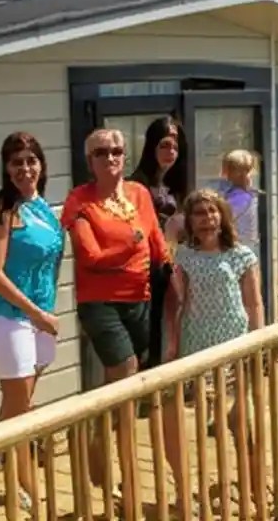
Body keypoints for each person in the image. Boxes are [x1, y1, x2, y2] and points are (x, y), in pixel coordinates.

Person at [62, 128, 173, 490]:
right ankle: (128, 479)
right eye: (101, 153)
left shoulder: (139, 193)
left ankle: (96, 433)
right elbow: (91, 257)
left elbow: (156, 238)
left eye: (117, 151)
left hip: (140, 299)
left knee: (118, 380)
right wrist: (132, 245)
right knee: (126, 376)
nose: (110, 158)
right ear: (89, 161)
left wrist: (172, 271)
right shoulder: (79, 200)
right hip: (100, 303)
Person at [0, 132, 63, 511]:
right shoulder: (2, 209)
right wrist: (37, 314)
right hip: (10, 319)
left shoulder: (43, 207)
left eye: (31, 160)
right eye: (17, 162)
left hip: (41, 318)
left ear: (41, 165)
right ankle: (30, 495)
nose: (25, 169)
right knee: (22, 414)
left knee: (18, 402)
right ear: (6, 168)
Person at [165, 188, 264, 502]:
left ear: (222, 216)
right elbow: (179, 303)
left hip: (234, 338)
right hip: (197, 341)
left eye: (212, 212)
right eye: (199, 214)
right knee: (203, 419)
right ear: (190, 222)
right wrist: (174, 345)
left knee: (237, 417)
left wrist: (256, 340)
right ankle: (204, 485)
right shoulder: (184, 256)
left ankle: (249, 484)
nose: (207, 219)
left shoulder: (241, 255)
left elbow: (254, 303)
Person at [128, 116, 189, 369]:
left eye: (175, 147)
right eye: (164, 145)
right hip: (146, 265)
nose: (170, 152)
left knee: (174, 323)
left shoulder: (175, 184)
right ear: (151, 147)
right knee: (149, 330)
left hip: (173, 261)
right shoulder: (137, 184)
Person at [216, 149, 261, 264]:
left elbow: (222, 218)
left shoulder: (240, 197)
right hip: (246, 246)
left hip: (238, 249)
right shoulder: (247, 195)